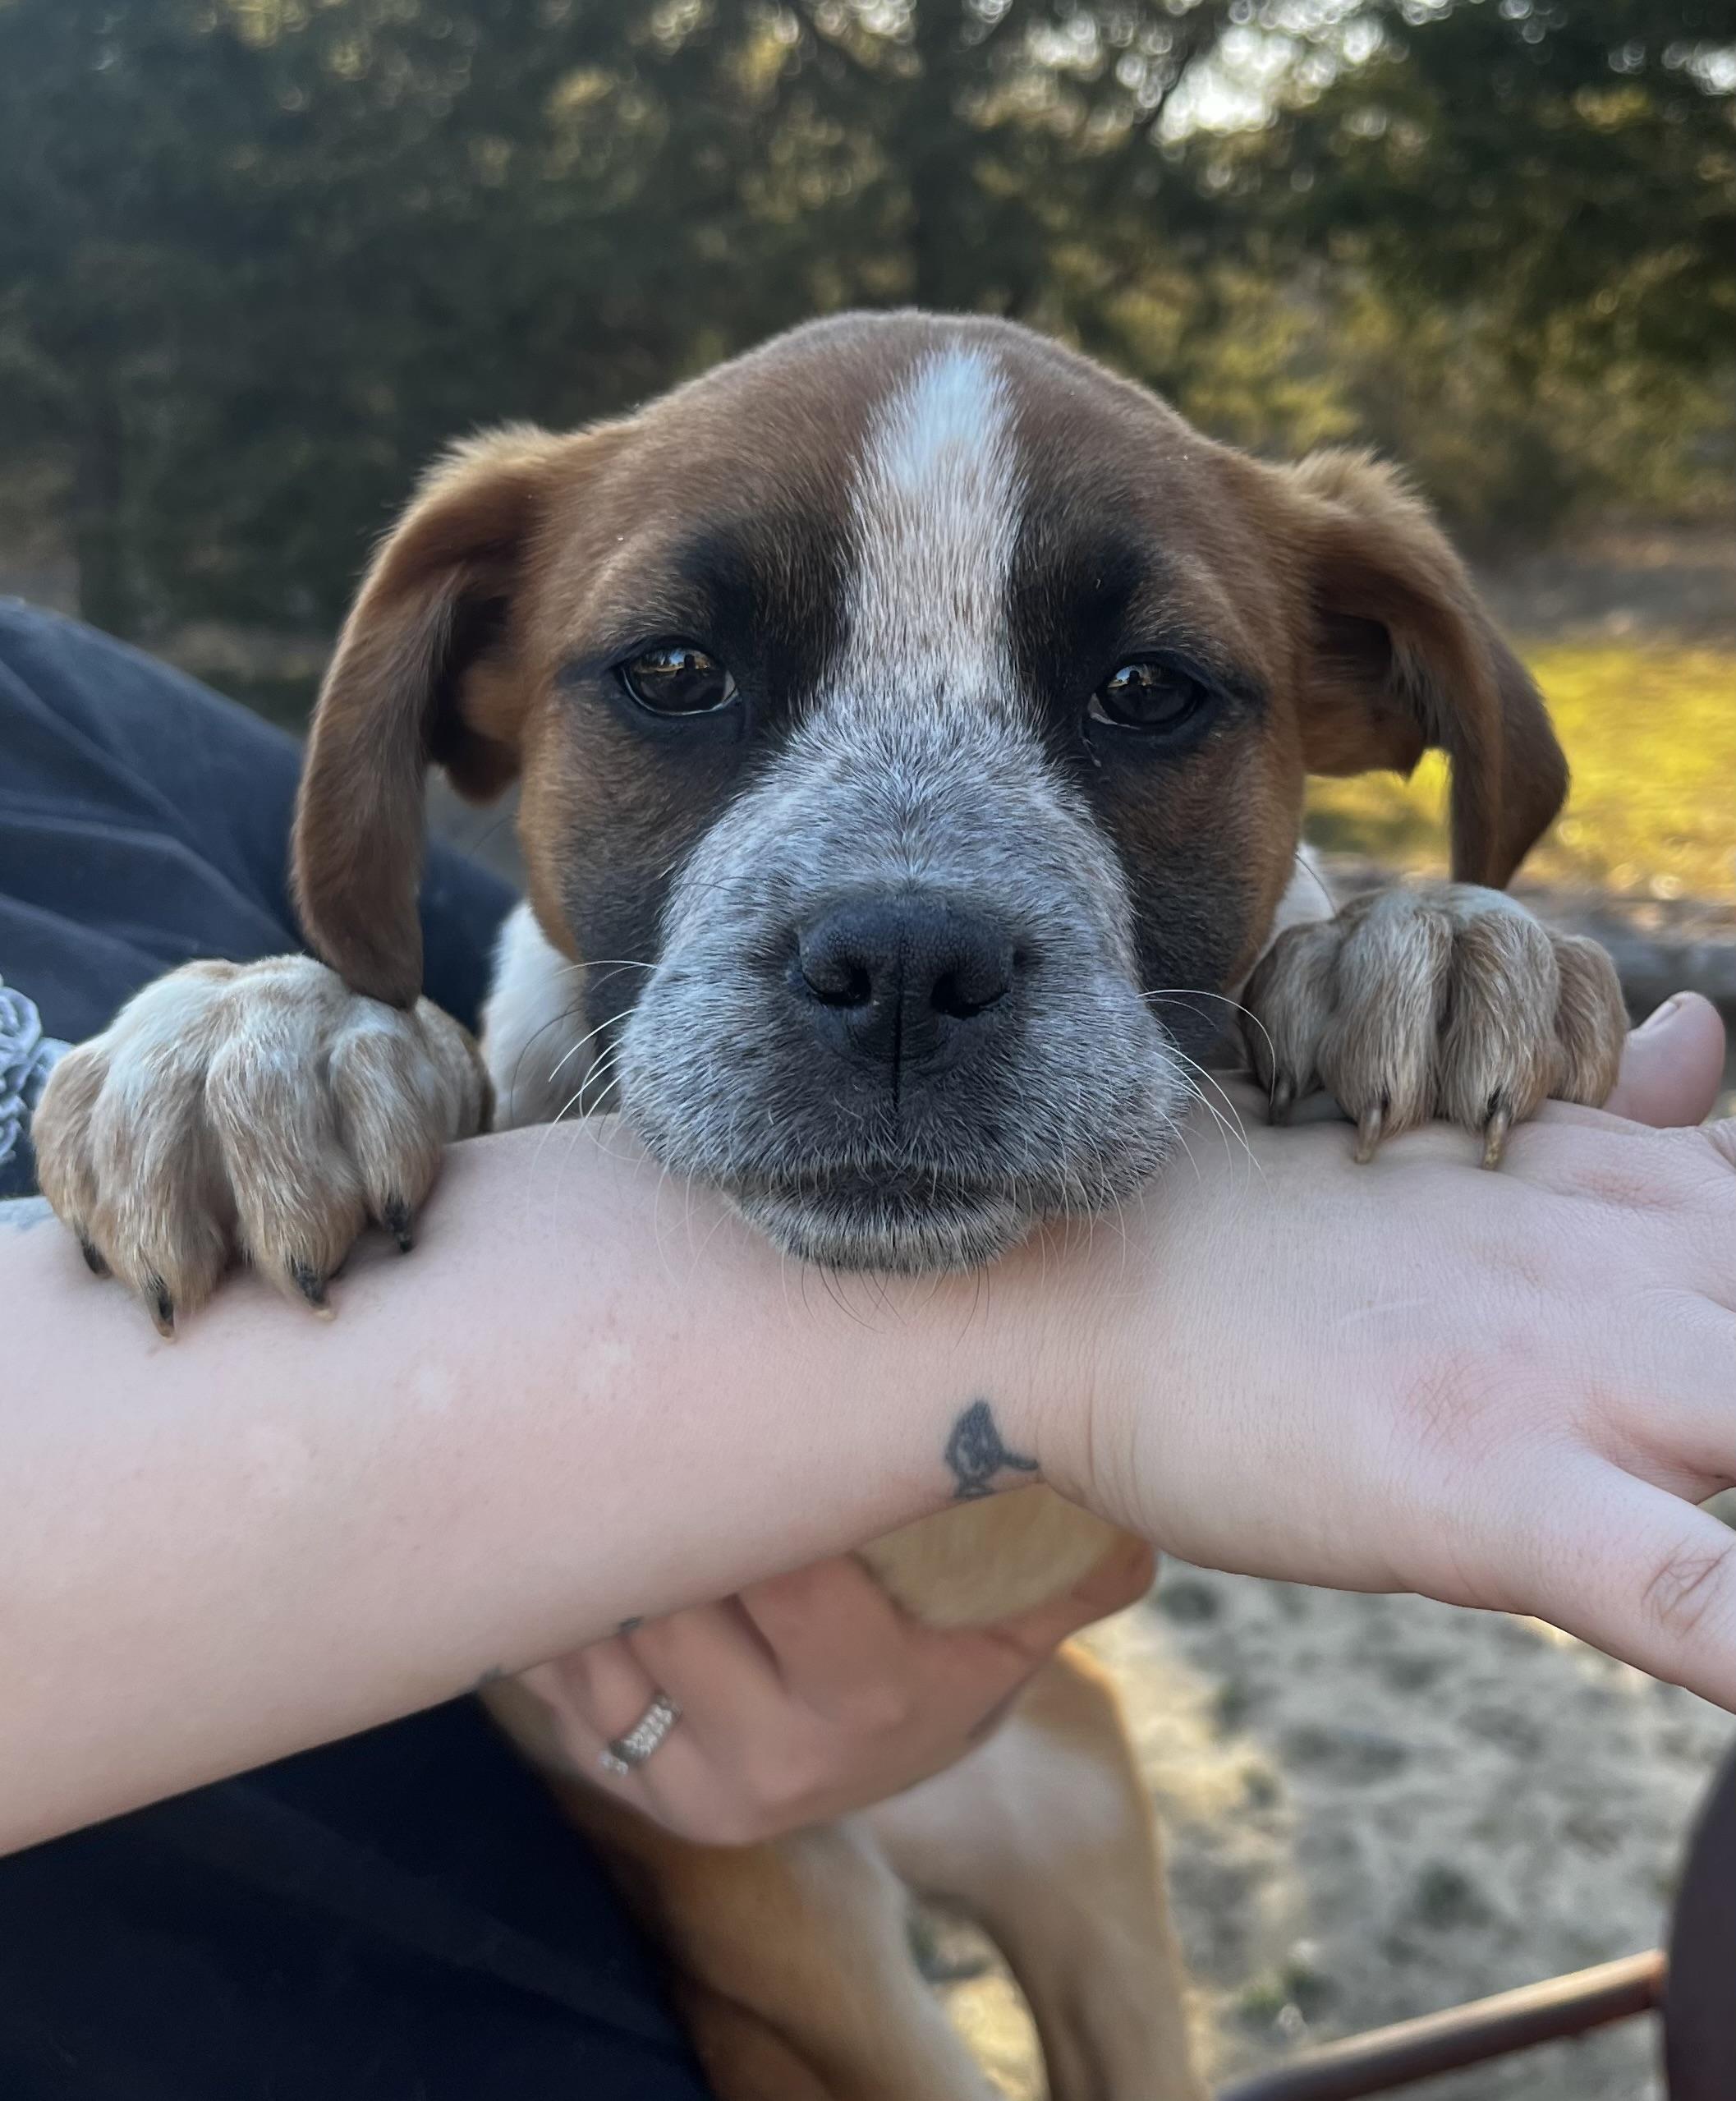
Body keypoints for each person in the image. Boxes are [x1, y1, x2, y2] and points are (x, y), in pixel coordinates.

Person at [3, 600, 1734, 2100]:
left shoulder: (54, 708)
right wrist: (1092, 1312)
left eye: (1148, 696)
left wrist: (1357, 950)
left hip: (950, 1706)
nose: (902, 925)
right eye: (679, 670)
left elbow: (488, 1023)